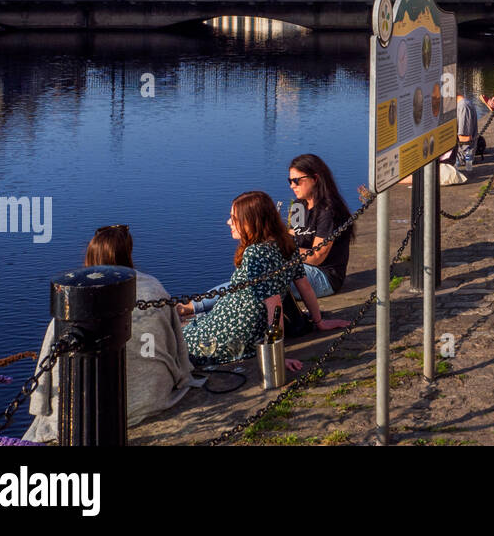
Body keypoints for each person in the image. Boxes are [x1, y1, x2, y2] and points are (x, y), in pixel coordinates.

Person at [25, 225, 198, 441]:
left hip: (82, 412)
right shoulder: (153, 288)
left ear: (89, 256)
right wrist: (182, 375)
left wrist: (40, 408)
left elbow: (46, 364)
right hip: (152, 398)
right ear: (128, 252)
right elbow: (177, 348)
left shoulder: (74, 301)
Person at [181, 192, 347, 368]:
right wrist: (319, 321)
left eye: (234, 218)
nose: (228, 222)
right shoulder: (286, 243)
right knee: (180, 332)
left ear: (251, 222)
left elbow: (274, 306)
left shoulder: (255, 253)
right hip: (231, 322)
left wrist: (277, 356)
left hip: (231, 331)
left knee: (175, 342)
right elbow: (304, 285)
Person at [286, 154, 354, 298]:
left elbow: (317, 257)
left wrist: (284, 250)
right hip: (302, 268)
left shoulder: (329, 211)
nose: (292, 185)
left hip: (325, 276)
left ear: (315, 179)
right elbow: (293, 238)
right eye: (290, 181)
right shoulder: (299, 206)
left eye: (297, 181)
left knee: (268, 285)